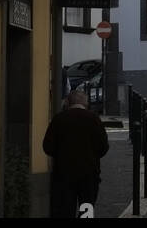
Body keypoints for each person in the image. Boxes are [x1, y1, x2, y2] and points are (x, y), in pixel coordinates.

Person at [42, 88, 109, 218]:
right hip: (89, 174)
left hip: (63, 175)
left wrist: (60, 154)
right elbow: (103, 147)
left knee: (64, 210)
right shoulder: (94, 119)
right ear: (86, 103)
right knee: (87, 208)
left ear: (68, 102)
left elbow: (47, 147)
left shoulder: (59, 119)